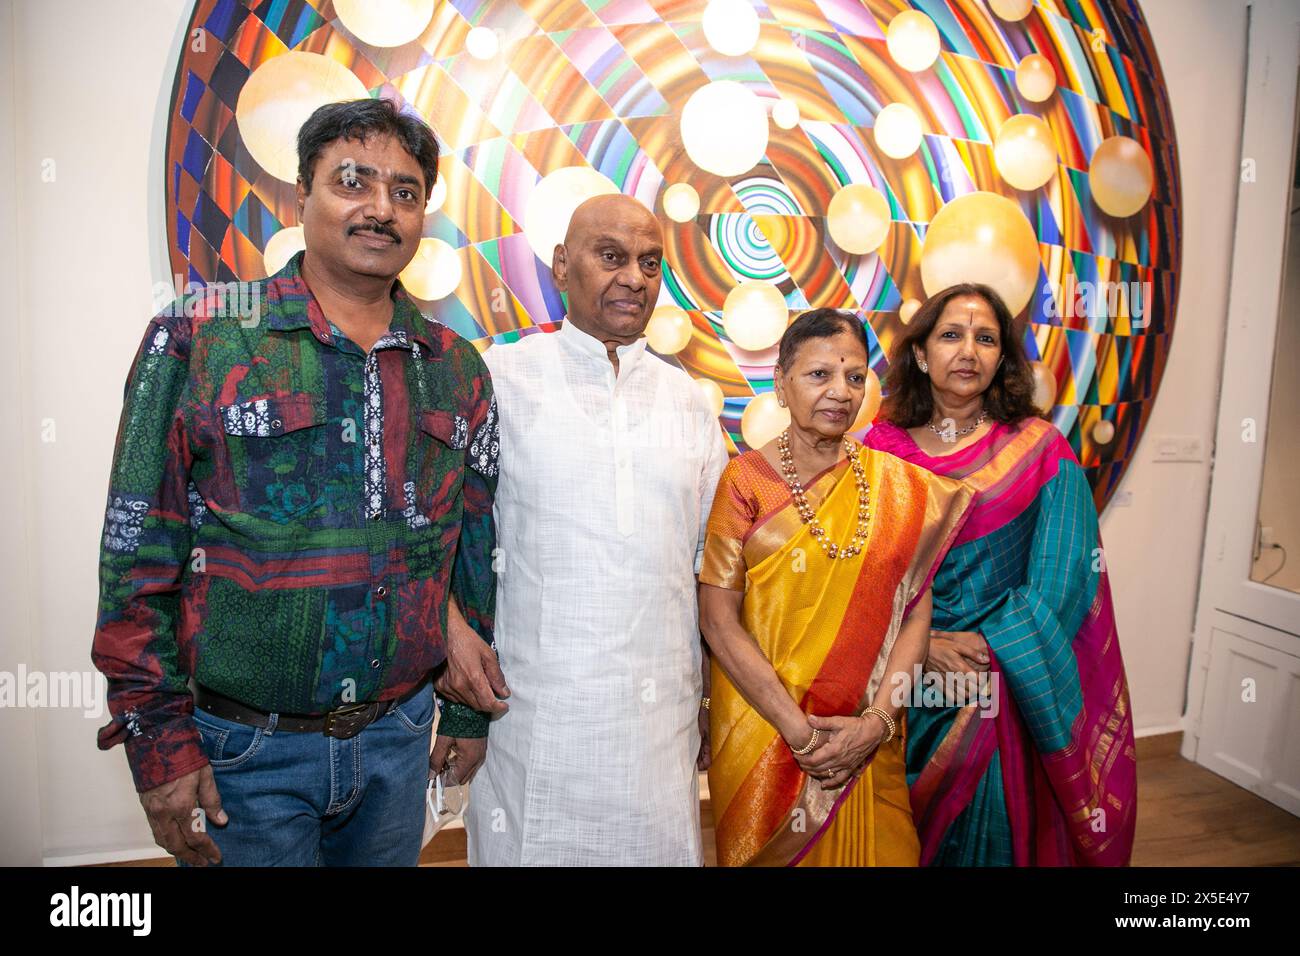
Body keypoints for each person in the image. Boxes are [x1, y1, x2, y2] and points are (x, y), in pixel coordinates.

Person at [92, 98, 506, 866]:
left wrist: (469, 714)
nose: (381, 209)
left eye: (406, 193)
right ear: (302, 193)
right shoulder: (201, 334)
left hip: (399, 741)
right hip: (244, 753)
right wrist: (158, 745)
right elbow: (135, 554)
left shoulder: (454, 366)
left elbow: (471, 554)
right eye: (353, 181)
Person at [464, 194, 728, 866]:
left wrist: (709, 702)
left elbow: (711, 569)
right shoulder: (500, 380)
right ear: (560, 267)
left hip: (657, 722)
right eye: (610, 256)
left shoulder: (689, 403)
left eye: (649, 262)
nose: (634, 278)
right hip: (533, 719)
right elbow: (457, 547)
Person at [864, 282, 1137, 865]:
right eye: (951, 335)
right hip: (898, 687)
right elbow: (854, 578)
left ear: (1003, 358)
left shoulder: (1040, 450)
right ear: (920, 354)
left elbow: (1065, 577)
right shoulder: (877, 456)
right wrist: (924, 645)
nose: (968, 351)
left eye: (986, 338)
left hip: (1001, 683)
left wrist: (992, 649)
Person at [698, 308, 973, 866]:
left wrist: (876, 724)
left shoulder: (898, 485)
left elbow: (915, 613)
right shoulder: (744, 482)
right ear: (781, 384)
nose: (840, 392)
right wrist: (801, 734)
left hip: (870, 735)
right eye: (819, 375)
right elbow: (717, 620)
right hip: (765, 735)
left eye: (853, 376)